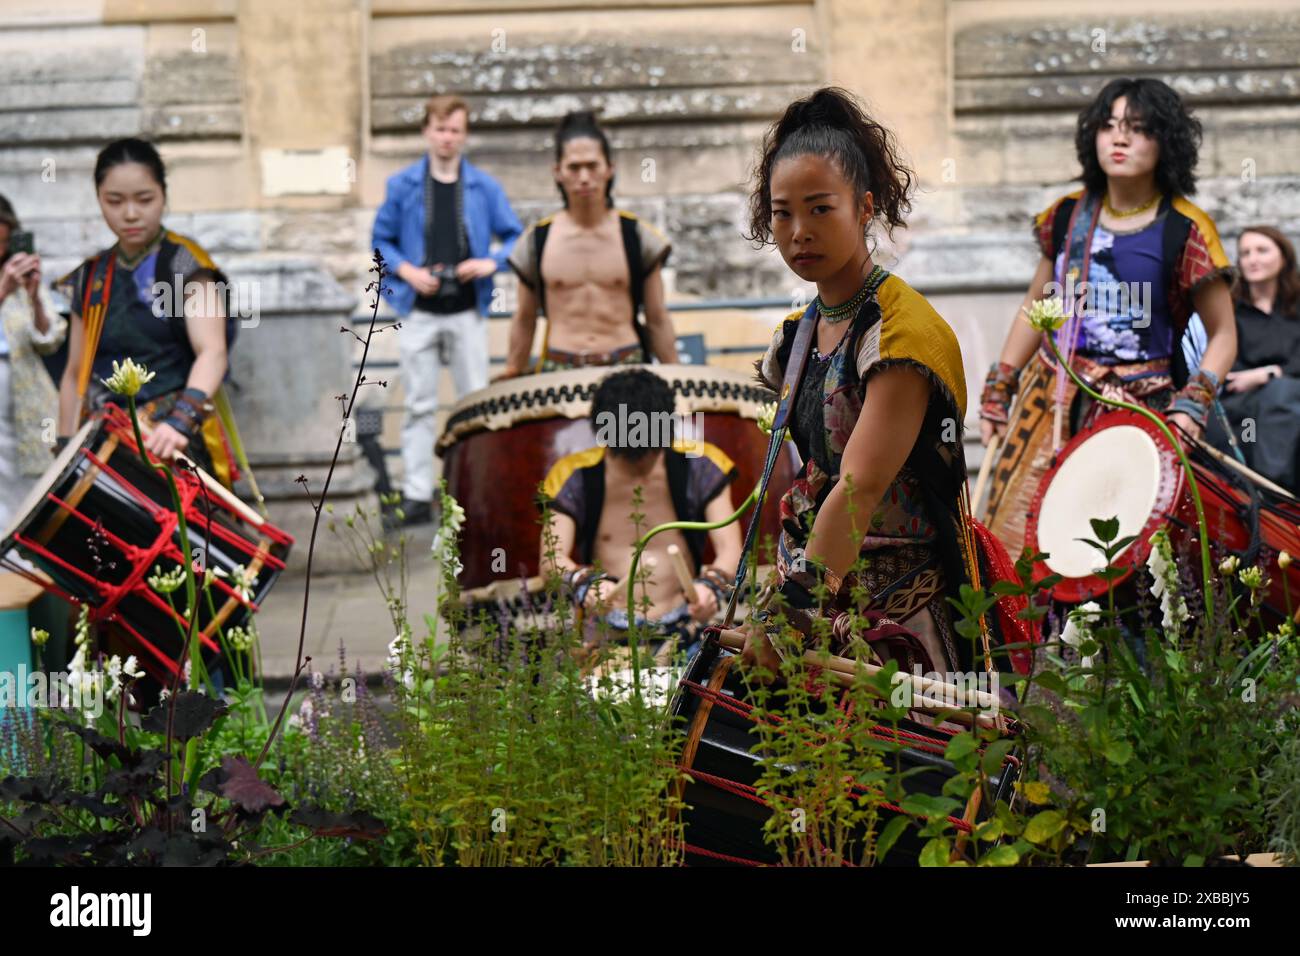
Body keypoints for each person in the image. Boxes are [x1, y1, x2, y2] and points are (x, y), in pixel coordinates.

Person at [739, 87, 995, 677]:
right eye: (782, 212)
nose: (798, 230)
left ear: (864, 207)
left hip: (900, 623)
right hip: (815, 609)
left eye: (820, 208)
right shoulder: (797, 336)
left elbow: (859, 486)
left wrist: (789, 612)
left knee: (898, 769)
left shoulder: (902, 334)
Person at [979, 78, 1237, 557]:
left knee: (1131, 552)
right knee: (1025, 543)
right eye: (1109, 126)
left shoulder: (1186, 228)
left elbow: (1223, 335)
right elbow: (1035, 310)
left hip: (1147, 411)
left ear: (1166, 144)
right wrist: (1000, 387)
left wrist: (1192, 406)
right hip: (1054, 404)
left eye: (1137, 129)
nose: (1119, 138)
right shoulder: (1063, 217)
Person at [373, 94, 523, 527]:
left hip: (466, 309)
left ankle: (474, 488)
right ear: (426, 132)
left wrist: (489, 261)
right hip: (418, 308)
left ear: (465, 135)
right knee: (419, 403)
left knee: (473, 400)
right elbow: (381, 240)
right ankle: (419, 494)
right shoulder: (402, 185)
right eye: (440, 129)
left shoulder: (483, 187)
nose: (447, 138)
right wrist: (406, 270)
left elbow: (514, 236)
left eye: (455, 130)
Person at [55, 138, 237, 485]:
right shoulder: (91, 276)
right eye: (114, 201)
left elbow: (212, 352)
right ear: (99, 200)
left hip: (176, 440)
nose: (130, 214)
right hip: (108, 442)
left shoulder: (184, 261)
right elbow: (75, 374)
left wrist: (180, 421)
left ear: (163, 196)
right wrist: (65, 448)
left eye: (144, 199)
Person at [540, 368, 742, 662]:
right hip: (605, 636)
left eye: (648, 449)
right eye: (626, 452)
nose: (639, 463)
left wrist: (711, 586)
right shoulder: (575, 475)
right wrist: (584, 585)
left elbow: (730, 549)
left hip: (686, 628)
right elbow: (550, 561)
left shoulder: (699, 464)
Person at [502, 111, 679, 376]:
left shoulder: (638, 236)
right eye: (574, 167)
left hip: (626, 365)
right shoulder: (536, 240)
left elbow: (657, 317)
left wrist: (677, 374)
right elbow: (525, 319)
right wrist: (513, 371)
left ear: (609, 169)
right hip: (559, 367)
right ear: (558, 172)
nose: (584, 177)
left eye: (592, 166)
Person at [1206, 226, 1300, 492]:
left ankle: (1274, 491)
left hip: (1290, 395)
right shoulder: (1230, 308)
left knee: (1282, 394)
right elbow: (1229, 367)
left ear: (1284, 256)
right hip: (1243, 401)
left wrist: (1270, 373)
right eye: (1245, 253)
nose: (1252, 259)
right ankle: (1254, 496)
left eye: (1262, 250)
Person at [0, 194, 67, 532]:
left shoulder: (22, 281)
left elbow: (50, 338)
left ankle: (28, 563)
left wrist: (33, 295)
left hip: (27, 392)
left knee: (35, 481)